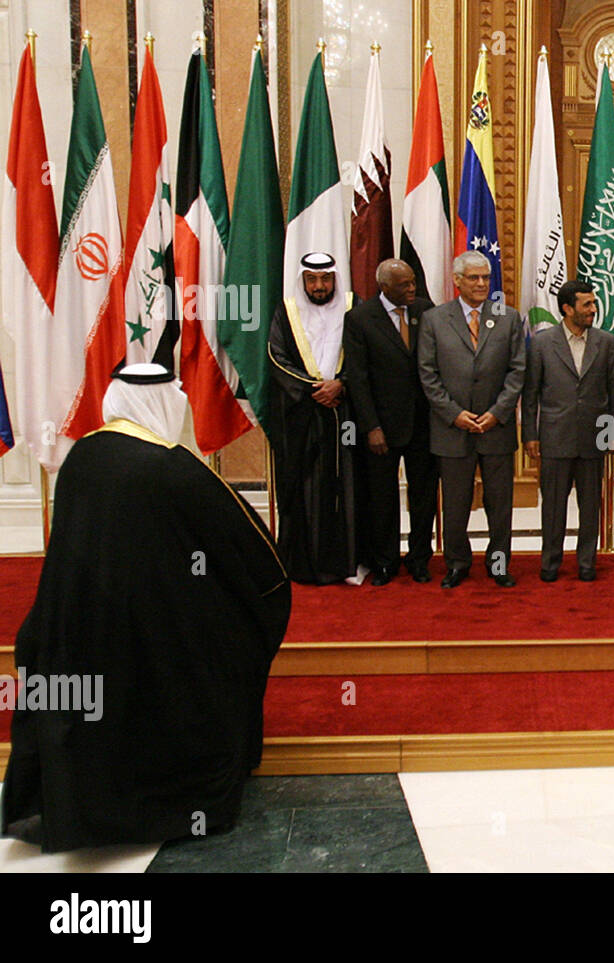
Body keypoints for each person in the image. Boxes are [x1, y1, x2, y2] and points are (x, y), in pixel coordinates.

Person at [1, 364, 290, 852]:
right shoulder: (174, 468)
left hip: (77, 635)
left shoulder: (82, 457)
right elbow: (254, 557)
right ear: (160, 403)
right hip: (157, 637)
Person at [418, 250, 526, 588]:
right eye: (474, 278)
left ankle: (498, 565)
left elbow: (517, 371)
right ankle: (457, 564)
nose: (481, 284)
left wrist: (497, 413)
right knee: (455, 503)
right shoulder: (435, 319)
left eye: (485, 277)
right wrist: (454, 414)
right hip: (453, 429)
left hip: (497, 428)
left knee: (500, 504)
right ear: (457, 281)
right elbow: (427, 374)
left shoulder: (507, 317)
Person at [267, 252, 361, 585]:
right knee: (303, 487)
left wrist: (342, 384)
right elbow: (276, 357)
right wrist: (313, 389)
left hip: (346, 414)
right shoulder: (287, 311)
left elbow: (366, 355)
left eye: (325, 279)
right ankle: (303, 565)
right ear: (303, 280)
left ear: (335, 279)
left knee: (348, 485)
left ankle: (347, 563)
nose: (319, 286)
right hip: (301, 417)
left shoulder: (353, 307)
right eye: (312, 280)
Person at [522, 279, 614, 582]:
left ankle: (587, 563)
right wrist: (530, 434)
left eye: (594, 303)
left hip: (593, 437)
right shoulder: (542, 342)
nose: (593, 309)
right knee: (553, 506)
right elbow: (531, 394)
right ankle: (550, 562)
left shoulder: (606, 341)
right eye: (587, 304)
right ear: (567, 309)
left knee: (590, 506)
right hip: (555, 437)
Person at [343, 259, 437, 585]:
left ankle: (419, 558)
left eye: (413, 283)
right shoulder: (359, 319)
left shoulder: (426, 311)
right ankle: (385, 561)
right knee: (382, 497)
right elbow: (358, 377)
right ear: (384, 287)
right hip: (382, 426)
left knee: (424, 496)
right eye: (404, 285)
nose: (412, 289)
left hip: (424, 423)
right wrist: (371, 427)